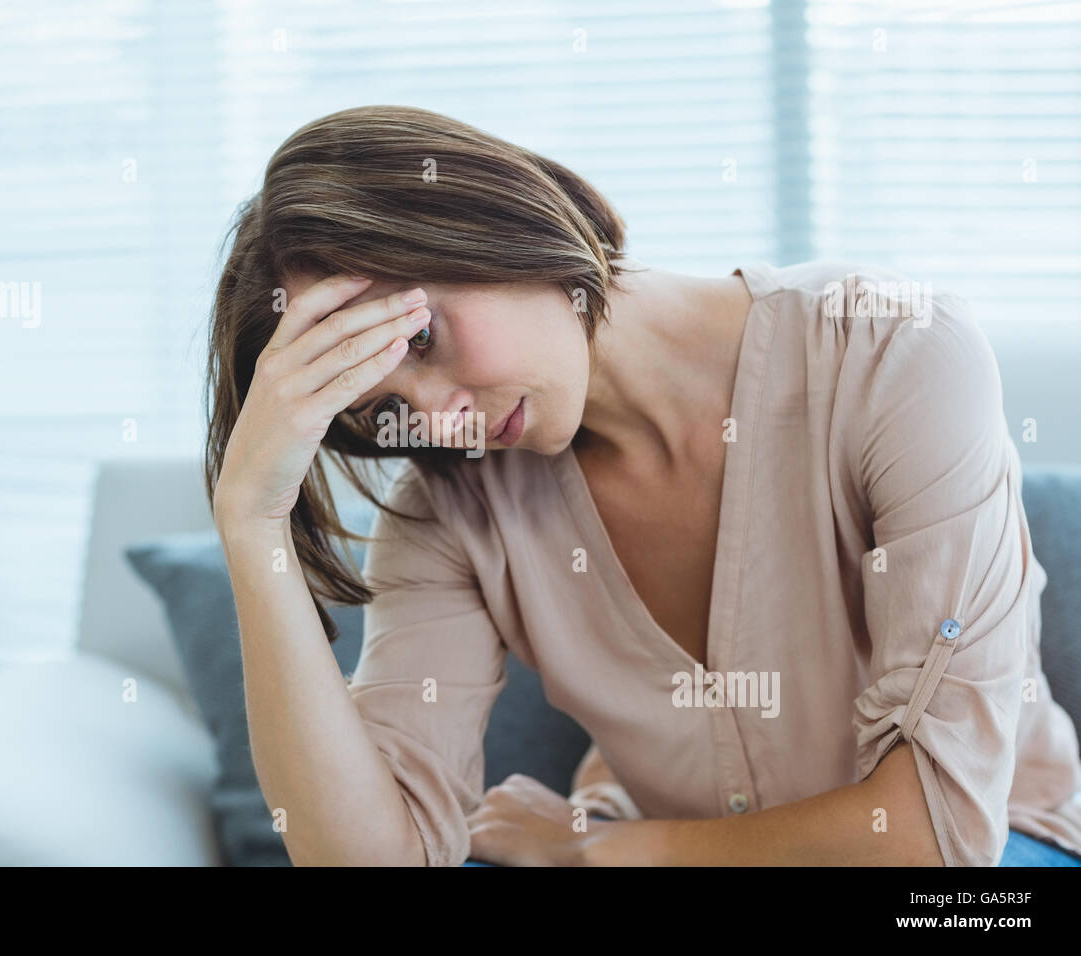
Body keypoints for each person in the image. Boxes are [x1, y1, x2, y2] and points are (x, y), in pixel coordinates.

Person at [206, 104, 1081, 867]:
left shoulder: (891, 353)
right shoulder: (450, 510)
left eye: (423, 341)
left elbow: (936, 832)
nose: (438, 423)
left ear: (490, 218)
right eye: (383, 408)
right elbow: (370, 859)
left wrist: (604, 852)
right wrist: (252, 524)